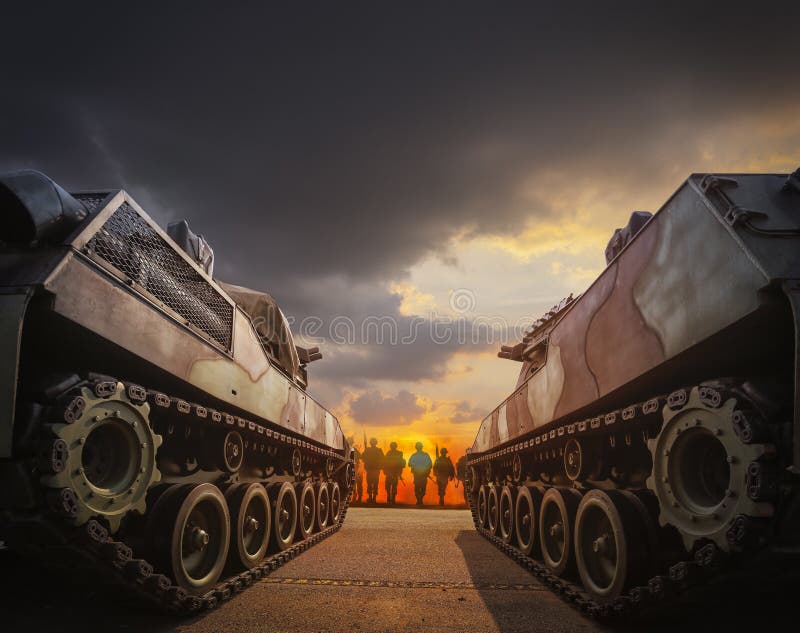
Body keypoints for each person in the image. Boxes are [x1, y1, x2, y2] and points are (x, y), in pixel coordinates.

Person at [408, 442, 432, 506]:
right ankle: (419, 500)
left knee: (419, 488)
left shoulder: (415, 455)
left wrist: (426, 470)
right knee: (420, 488)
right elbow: (409, 464)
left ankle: (419, 500)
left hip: (421, 474)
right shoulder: (424, 455)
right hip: (418, 474)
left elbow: (430, 465)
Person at [361, 437, 384, 503]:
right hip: (375, 470)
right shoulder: (379, 450)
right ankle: (373, 498)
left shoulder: (368, 450)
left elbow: (363, 458)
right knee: (375, 483)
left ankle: (371, 497)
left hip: (370, 470)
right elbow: (383, 459)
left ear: (370, 443)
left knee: (369, 483)